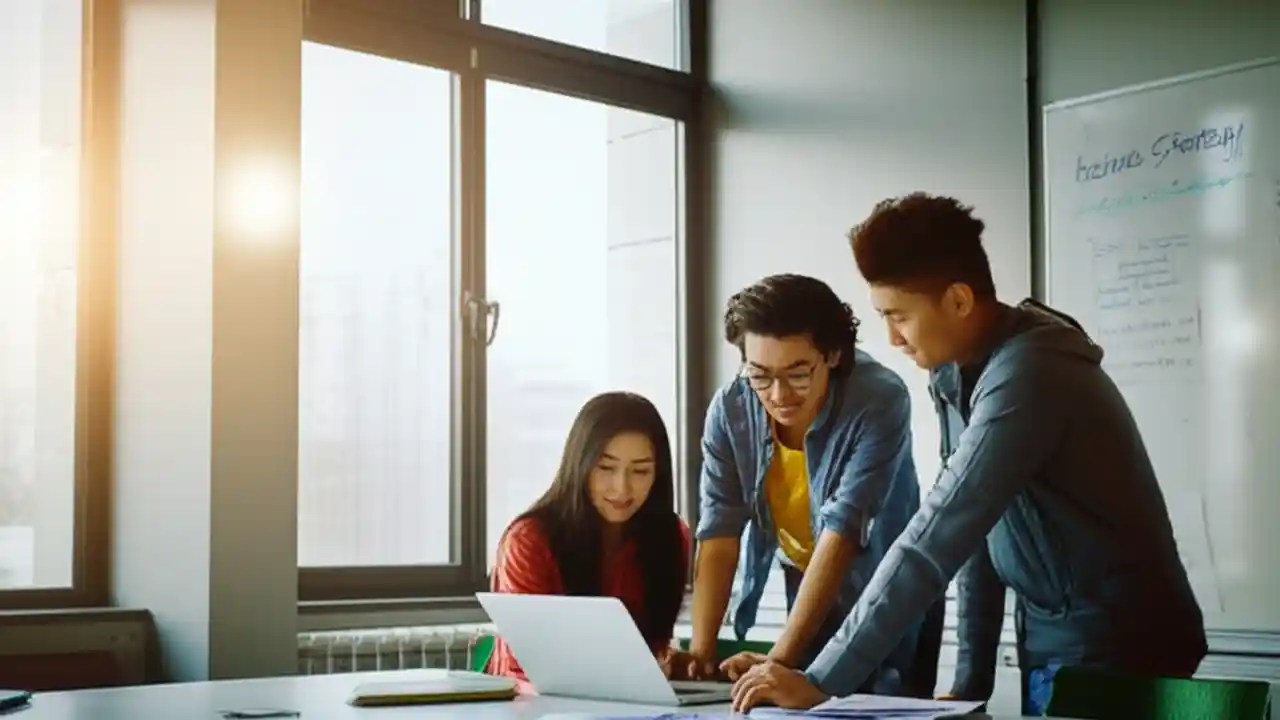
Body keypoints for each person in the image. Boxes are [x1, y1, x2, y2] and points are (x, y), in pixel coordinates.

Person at [729, 194, 1207, 715]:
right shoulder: (954, 372)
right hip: (1049, 638)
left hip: (1118, 646)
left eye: (899, 316)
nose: (891, 338)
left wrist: (820, 678)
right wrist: (970, 685)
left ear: (958, 301)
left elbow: (938, 535)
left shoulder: (1031, 373)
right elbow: (976, 532)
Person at [674, 274, 928, 696]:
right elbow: (719, 530)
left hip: (883, 589)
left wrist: (775, 664)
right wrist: (701, 656)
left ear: (831, 354)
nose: (778, 394)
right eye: (759, 375)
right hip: (806, 581)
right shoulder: (732, 407)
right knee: (794, 701)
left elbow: (844, 530)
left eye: (797, 374)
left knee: (880, 700)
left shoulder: (879, 399)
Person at [486, 392, 691, 689]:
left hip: (632, 702)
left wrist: (675, 663)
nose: (622, 488)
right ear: (580, 464)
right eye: (606, 468)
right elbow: (529, 665)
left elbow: (654, 647)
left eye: (641, 471)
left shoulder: (670, 537)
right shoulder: (529, 540)